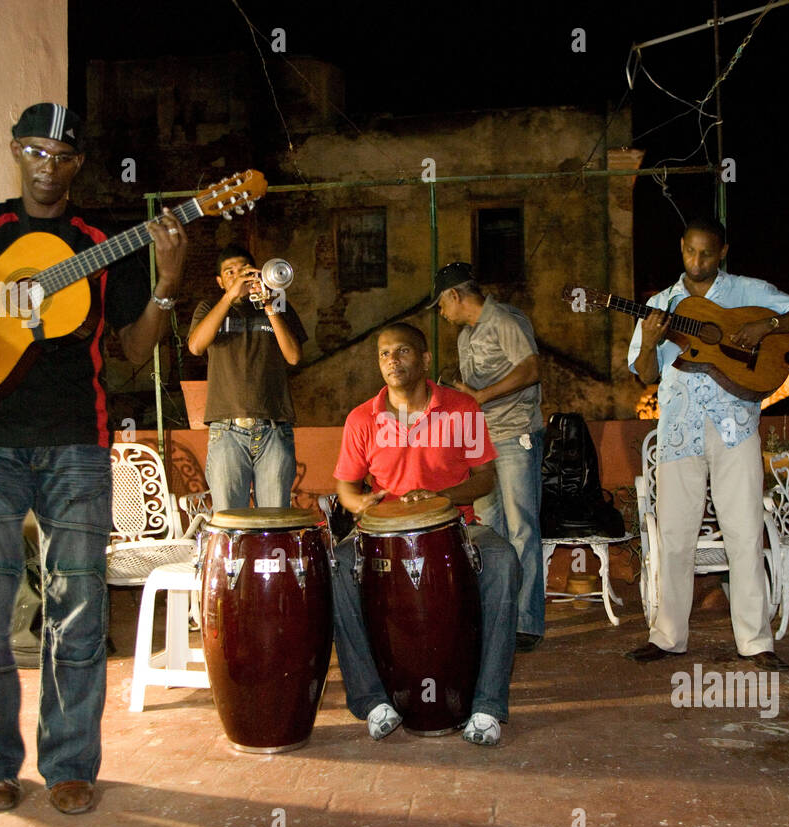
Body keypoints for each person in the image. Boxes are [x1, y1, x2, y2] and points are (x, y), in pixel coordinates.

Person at [0, 102, 188, 814]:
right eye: (35, 152)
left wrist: (169, 283)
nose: (48, 168)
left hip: (79, 445)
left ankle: (71, 763)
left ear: (78, 164)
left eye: (62, 156)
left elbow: (136, 350)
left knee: (78, 608)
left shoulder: (101, 243)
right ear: (15, 152)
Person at [626, 216, 789, 671]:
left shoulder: (746, 292)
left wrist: (767, 325)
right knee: (674, 536)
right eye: (690, 251)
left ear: (723, 252)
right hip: (678, 432)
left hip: (735, 429)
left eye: (706, 253)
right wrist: (651, 342)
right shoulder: (660, 304)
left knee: (745, 533)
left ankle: (755, 641)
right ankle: (668, 636)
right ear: (681, 248)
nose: (697, 261)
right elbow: (646, 375)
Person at [330, 322, 520, 745]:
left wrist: (438, 494)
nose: (392, 362)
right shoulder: (363, 418)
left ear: (425, 358)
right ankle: (372, 699)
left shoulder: (462, 408)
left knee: (504, 560)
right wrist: (359, 503)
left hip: (457, 527)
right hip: (379, 536)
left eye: (402, 352)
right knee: (337, 567)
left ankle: (487, 705)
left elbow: (484, 477)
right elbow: (345, 485)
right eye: (383, 354)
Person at [433, 262, 546, 653]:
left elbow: (532, 368)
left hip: (515, 434)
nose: (442, 313)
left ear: (454, 295)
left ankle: (527, 622)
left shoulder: (505, 319)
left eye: (441, 305)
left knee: (522, 528)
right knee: (488, 529)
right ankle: (493, 614)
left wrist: (481, 396)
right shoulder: (466, 336)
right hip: (482, 440)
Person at [188, 245, 306, 513]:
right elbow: (196, 347)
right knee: (230, 521)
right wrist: (230, 297)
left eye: (244, 269)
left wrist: (268, 304)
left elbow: (293, 356)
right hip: (227, 430)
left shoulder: (278, 304)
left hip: (274, 428)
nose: (238, 275)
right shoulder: (210, 307)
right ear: (220, 281)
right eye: (230, 272)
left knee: (275, 519)